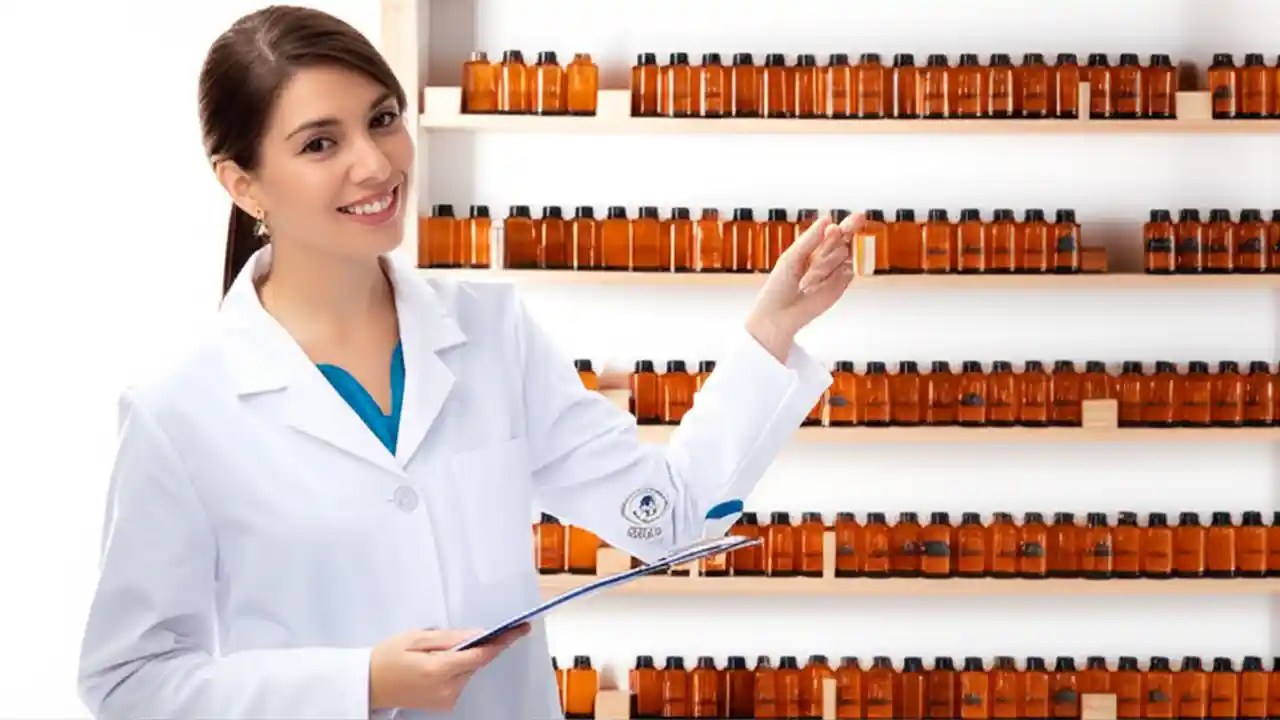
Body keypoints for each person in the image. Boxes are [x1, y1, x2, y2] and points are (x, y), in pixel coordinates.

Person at [75, 5, 861, 720]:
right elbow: (130, 682)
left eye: (383, 120)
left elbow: (667, 518)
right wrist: (361, 685)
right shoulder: (180, 412)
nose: (376, 165)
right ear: (243, 184)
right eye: (321, 142)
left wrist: (772, 329)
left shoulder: (491, 333)